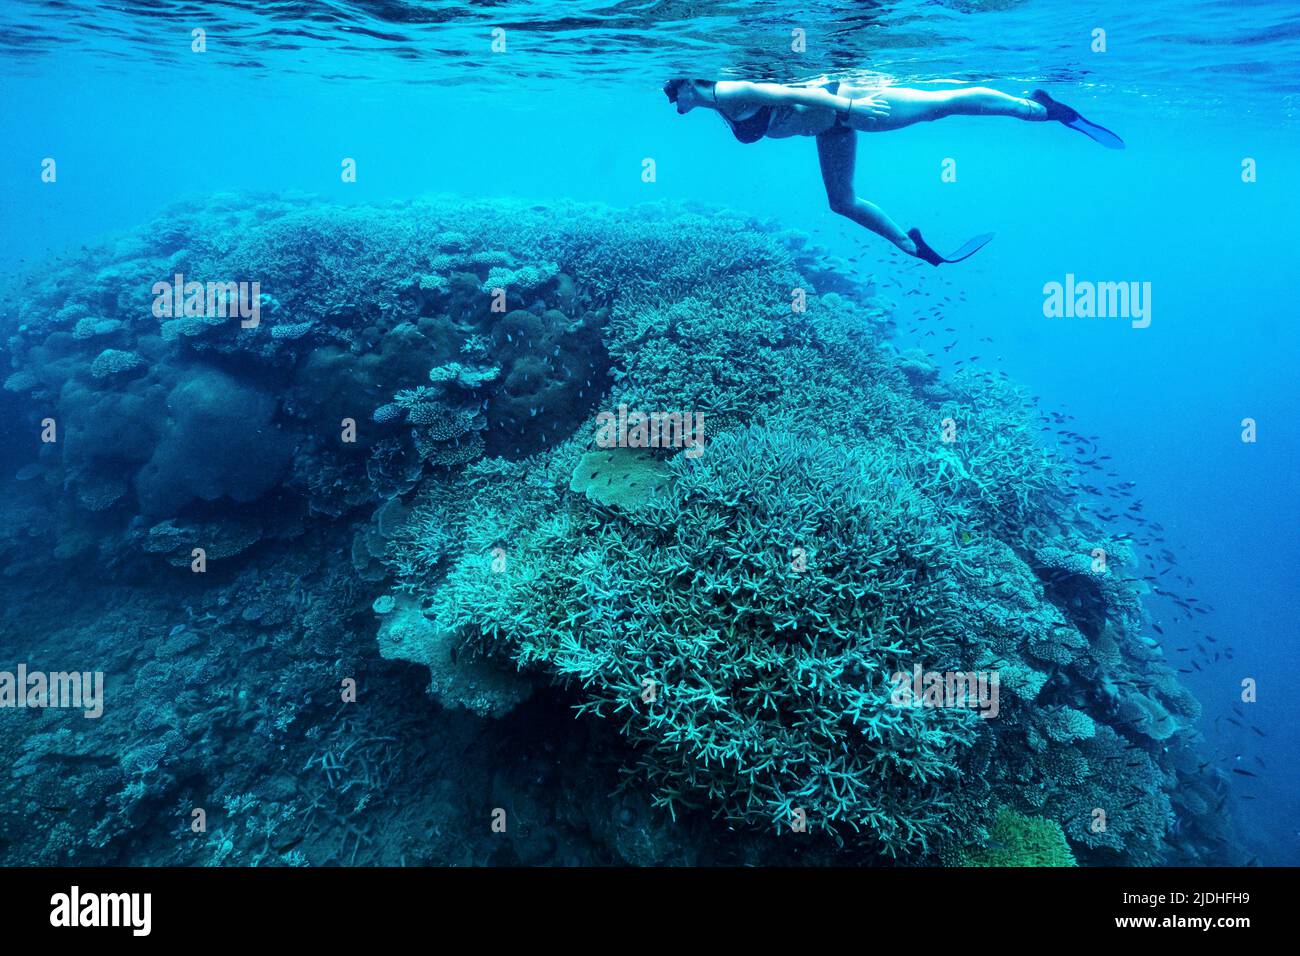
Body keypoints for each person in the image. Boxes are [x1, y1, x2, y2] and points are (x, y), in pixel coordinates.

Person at [664, 78, 1124, 265]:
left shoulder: (728, 89)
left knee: (940, 107)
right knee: (840, 201)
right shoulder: (715, 105)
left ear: (690, 83)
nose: (676, 105)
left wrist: (850, 104)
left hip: (851, 104)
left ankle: (1042, 110)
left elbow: (785, 94)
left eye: (675, 95)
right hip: (831, 132)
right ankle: (914, 245)